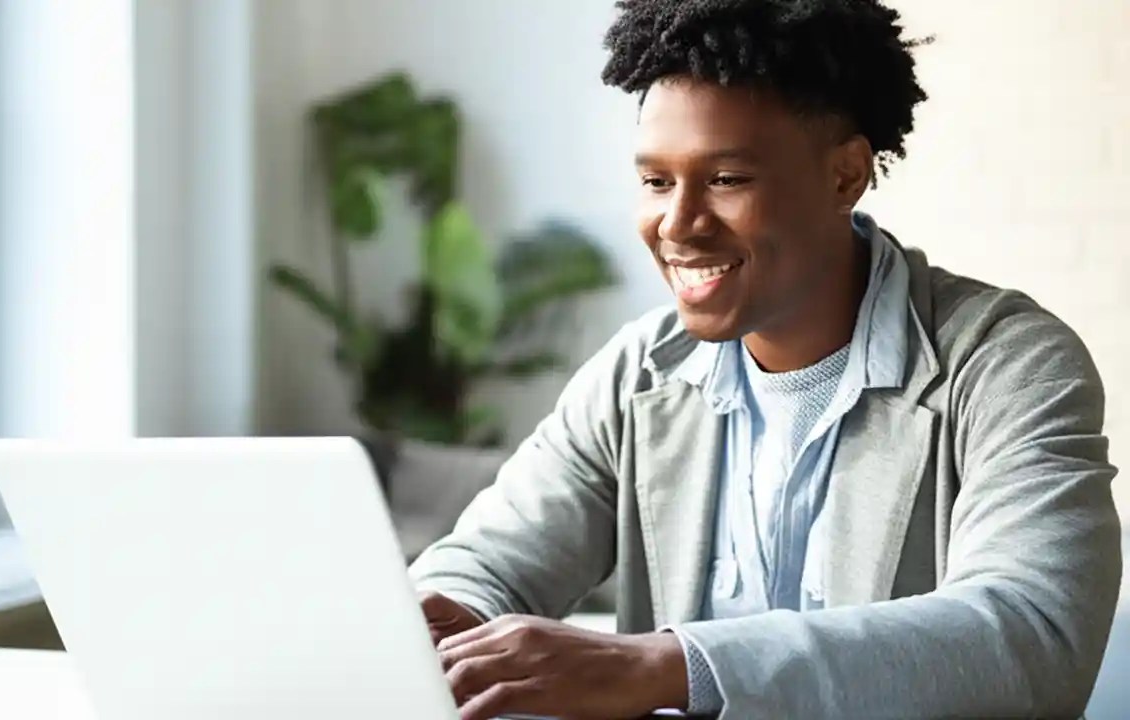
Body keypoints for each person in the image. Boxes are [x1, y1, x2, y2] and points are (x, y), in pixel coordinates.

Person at [410, 1, 1123, 718]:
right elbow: (484, 562)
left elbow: (1034, 634)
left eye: (725, 180)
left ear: (846, 175)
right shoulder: (638, 376)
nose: (677, 224)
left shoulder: (1007, 366)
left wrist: (670, 665)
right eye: (657, 182)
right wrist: (435, 621)